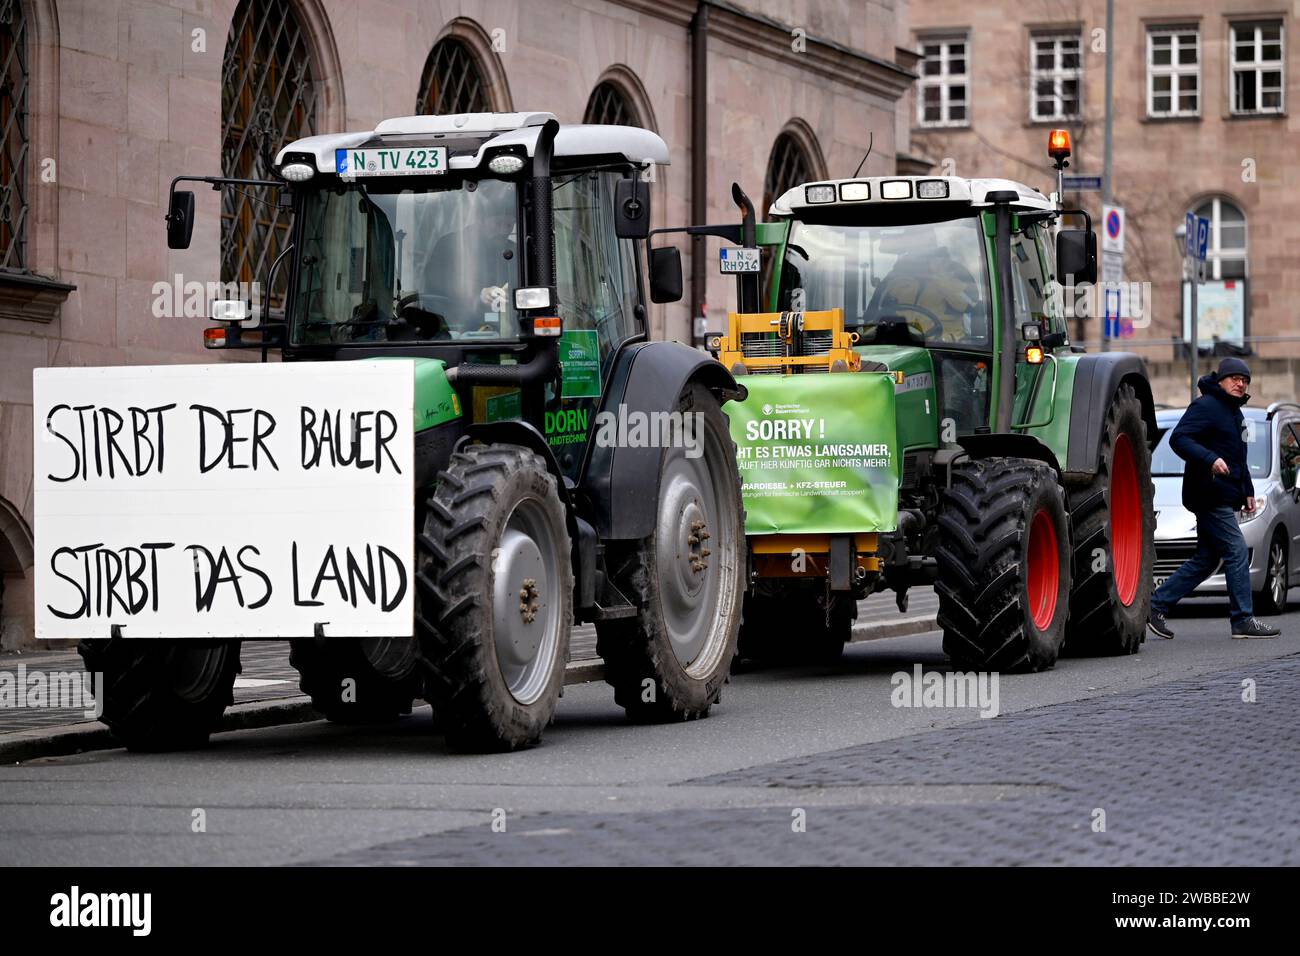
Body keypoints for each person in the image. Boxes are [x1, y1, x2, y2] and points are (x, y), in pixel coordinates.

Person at [1148, 357, 1281, 640]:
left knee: (1207, 560)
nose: (1240, 383)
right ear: (1220, 380)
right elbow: (1179, 438)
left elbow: (1239, 459)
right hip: (1208, 494)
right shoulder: (1206, 405)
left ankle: (1156, 604)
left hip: (1224, 495)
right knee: (1235, 551)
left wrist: (1247, 490)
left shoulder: (1235, 413)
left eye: (1244, 379)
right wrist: (1210, 459)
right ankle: (1243, 620)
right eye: (1234, 378)